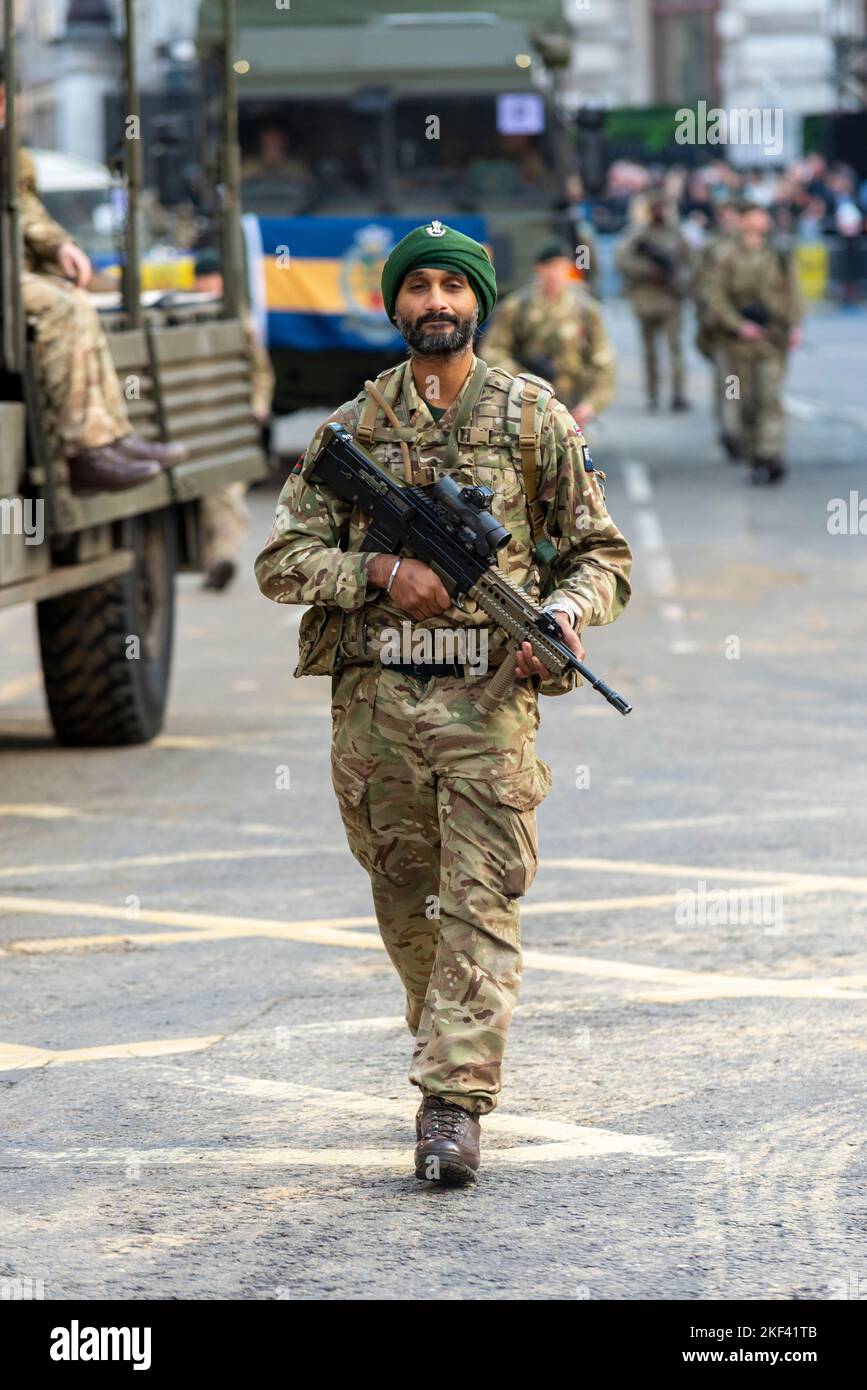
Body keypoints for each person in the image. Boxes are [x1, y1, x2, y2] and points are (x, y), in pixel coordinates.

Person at [255, 223, 632, 1185]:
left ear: (479, 304)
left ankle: (451, 1105)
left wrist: (559, 610)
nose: (436, 302)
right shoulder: (348, 430)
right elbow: (279, 562)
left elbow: (600, 556)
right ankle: (445, 1056)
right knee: (408, 903)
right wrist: (381, 569)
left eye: (452, 288)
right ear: (393, 306)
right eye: (417, 286)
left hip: (489, 706)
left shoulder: (534, 418)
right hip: (377, 713)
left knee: (482, 901)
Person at [0, 61, 186, 493]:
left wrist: (59, 246)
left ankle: (110, 439)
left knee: (77, 302)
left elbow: (23, 207)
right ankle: (86, 451)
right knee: (61, 306)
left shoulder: (8, 149)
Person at [702, 203, 803, 484]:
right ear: (743, 220)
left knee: (770, 397)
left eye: (764, 216)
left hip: (773, 338)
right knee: (746, 401)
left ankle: (771, 454)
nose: (762, 221)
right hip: (739, 342)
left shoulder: (778, 254)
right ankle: (754, 454)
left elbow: (793, 292)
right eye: (756, 216)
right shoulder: (724, 256)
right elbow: (715, 296)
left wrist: (795, 326)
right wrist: (739, 325)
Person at [193, 248, 275, 590]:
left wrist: (258, 407)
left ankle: (222, 558)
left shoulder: (237, 319)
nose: (207, 285)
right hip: (197, 420)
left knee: (226, 491)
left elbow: (261, 371)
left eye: (212, 278)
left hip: (232, 420)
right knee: (205, 494)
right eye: (203, 279)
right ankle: (212, 559)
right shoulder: (188, 315)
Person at [482, 239, 615, 432]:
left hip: (573, 407)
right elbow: (492, 352)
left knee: (573, 459)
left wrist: (591, 404)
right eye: (550, 267)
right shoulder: (517, 307)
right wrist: (522, 379)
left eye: (561, 267)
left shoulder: (586, 310)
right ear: (539, 268)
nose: (555, 273)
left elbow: (604, 361)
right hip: (526, 405)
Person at [615, 193, 692, 411]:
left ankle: (678, 394)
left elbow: (690, 264)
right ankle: (652, 395)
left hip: (671, 298)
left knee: (675, 349)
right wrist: (650, 270)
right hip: (646, 299)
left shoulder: (676, 233)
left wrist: (680, 280)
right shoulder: (637, 235)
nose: (660, 212)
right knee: (649, 351)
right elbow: (622, 261)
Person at [691, 200, 742, 455]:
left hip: (752, 330)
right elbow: (701, 285)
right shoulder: (711, 248)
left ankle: (741, 430)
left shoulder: (755, 248)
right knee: (729, 381)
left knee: (748, 385)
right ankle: (730, 430)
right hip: (722, 328)